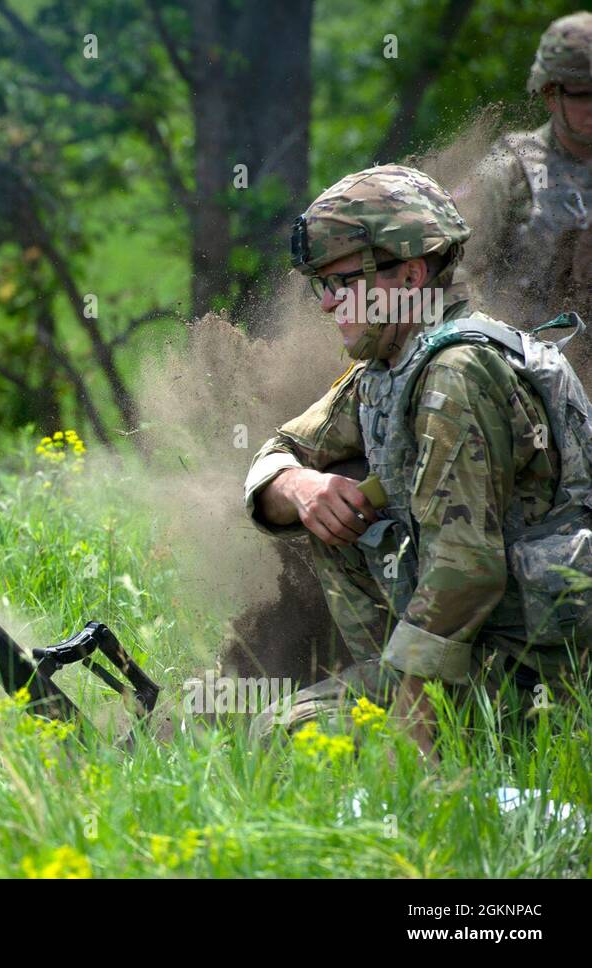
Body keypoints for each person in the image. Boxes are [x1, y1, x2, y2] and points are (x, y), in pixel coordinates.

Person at [244, 164, 592, 759]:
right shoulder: (391, 369)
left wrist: (411, 743)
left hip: (532, 682)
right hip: (475, 661)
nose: (326, 305)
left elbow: (464, 573)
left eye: (340, 283)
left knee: (289, 741)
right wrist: (301, 486)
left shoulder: (456, 373)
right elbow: (281, 452)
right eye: (319, 286)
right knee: (279, 729)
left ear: (409, 274)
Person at [459, 12, 592, 332]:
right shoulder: (509, 170)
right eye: (583, 94)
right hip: (522, 353)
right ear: (550, 95)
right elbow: (455, 269)